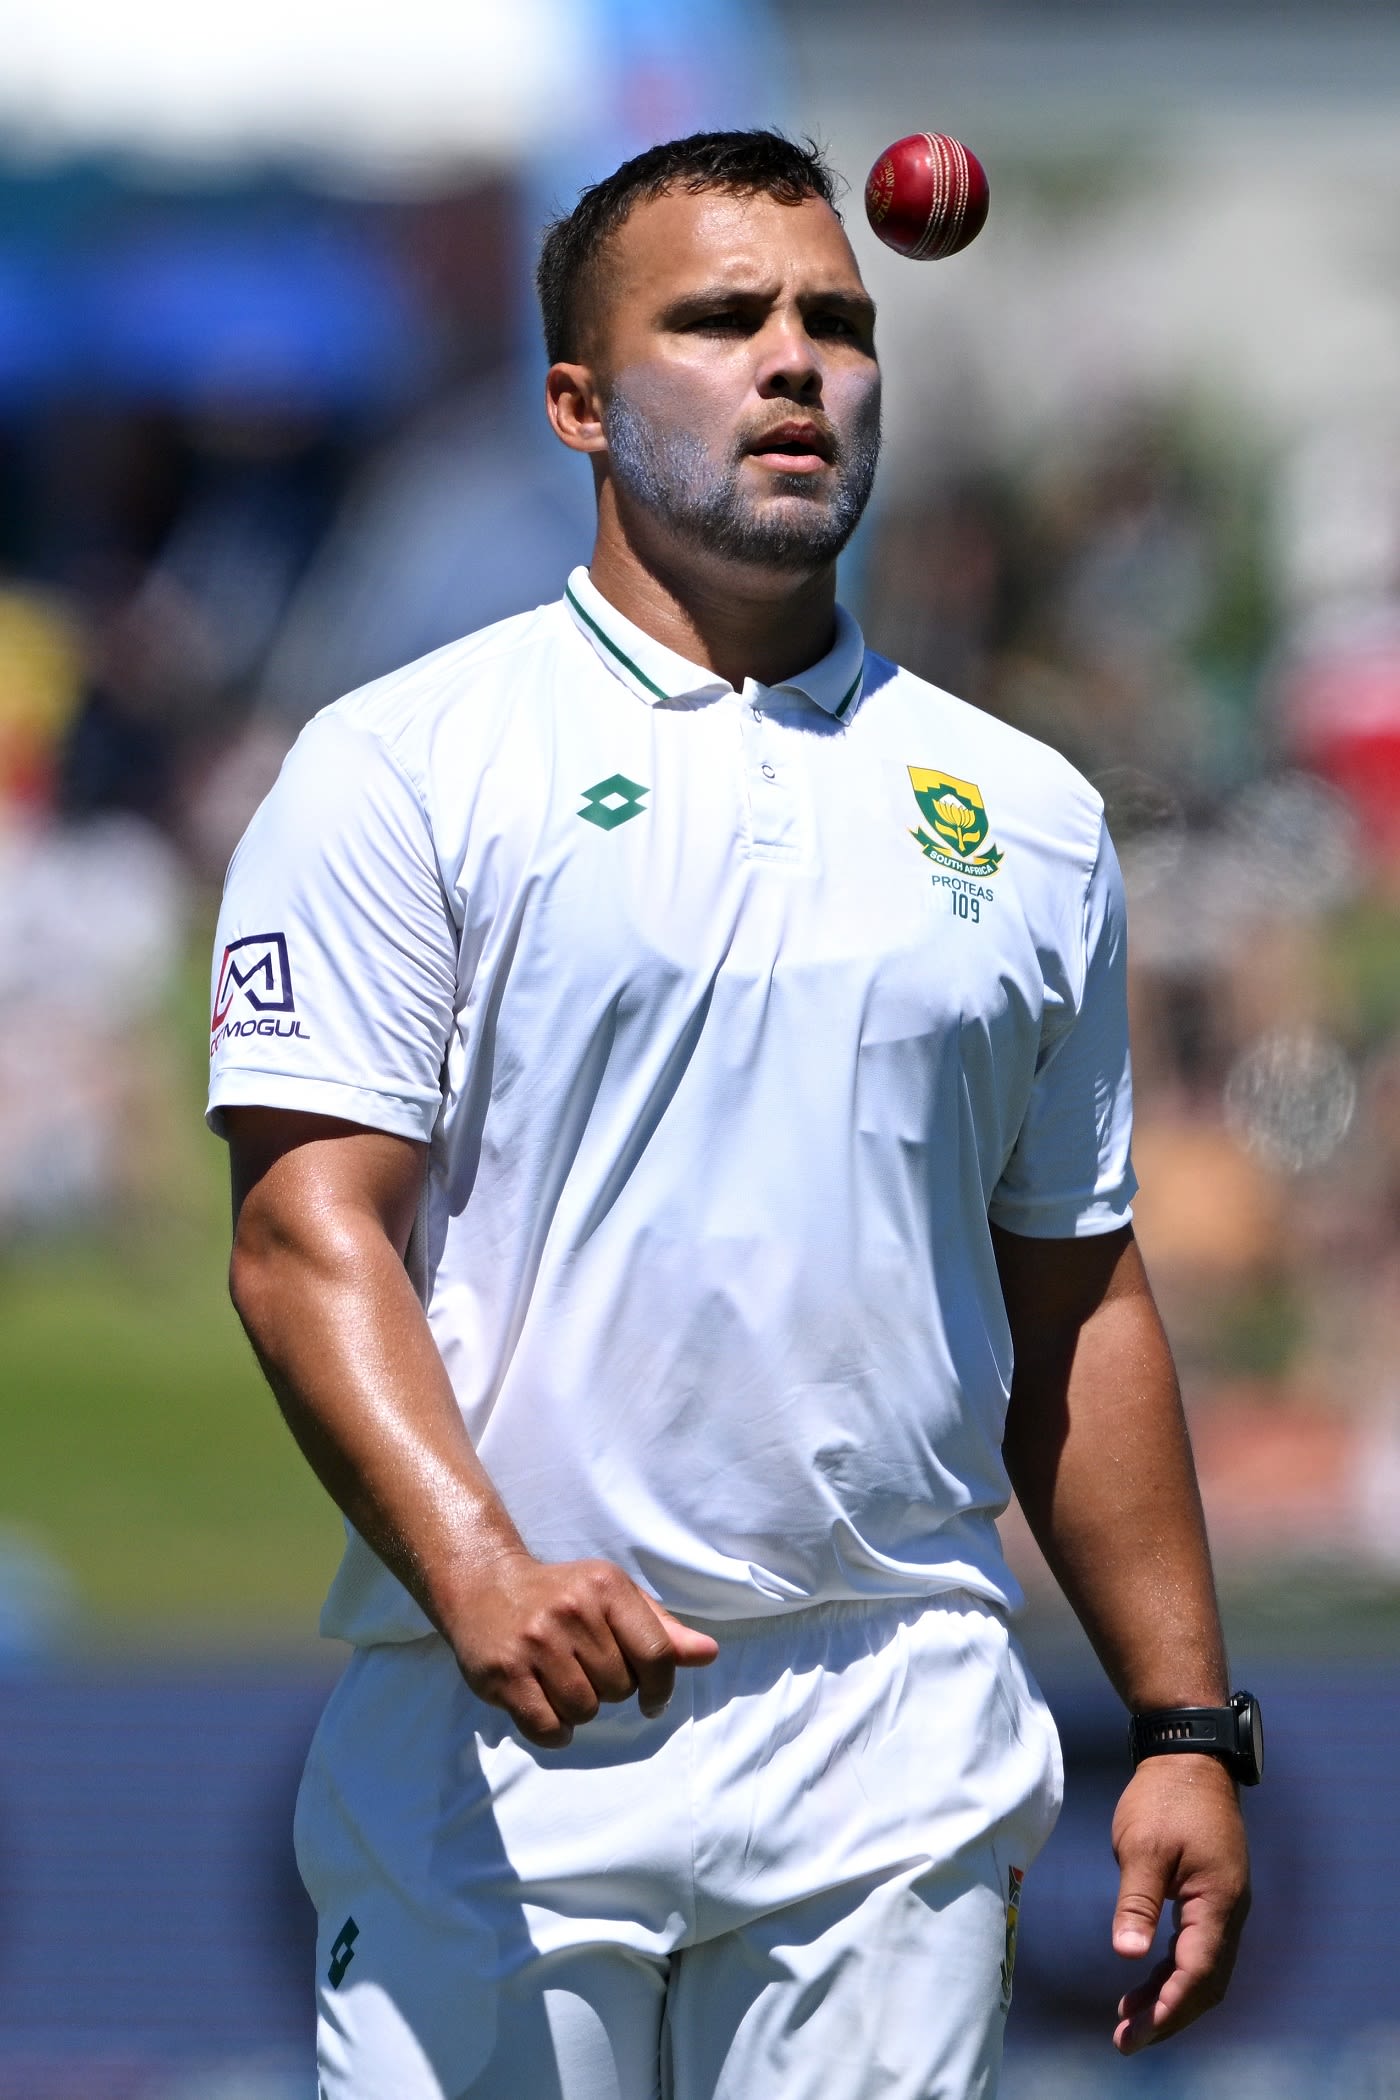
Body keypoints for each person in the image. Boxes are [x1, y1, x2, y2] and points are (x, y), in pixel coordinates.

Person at [209, 130, 1250, 2100]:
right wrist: (483, 1570)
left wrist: (1186, 1727)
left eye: (836, 325)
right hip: (499, 1716)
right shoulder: (402, 765)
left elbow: (1081, 1299)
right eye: (722, 319)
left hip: (895, 1727)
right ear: (577, 404)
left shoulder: (1022, 813)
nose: (797, 363)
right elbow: (300, 1233)